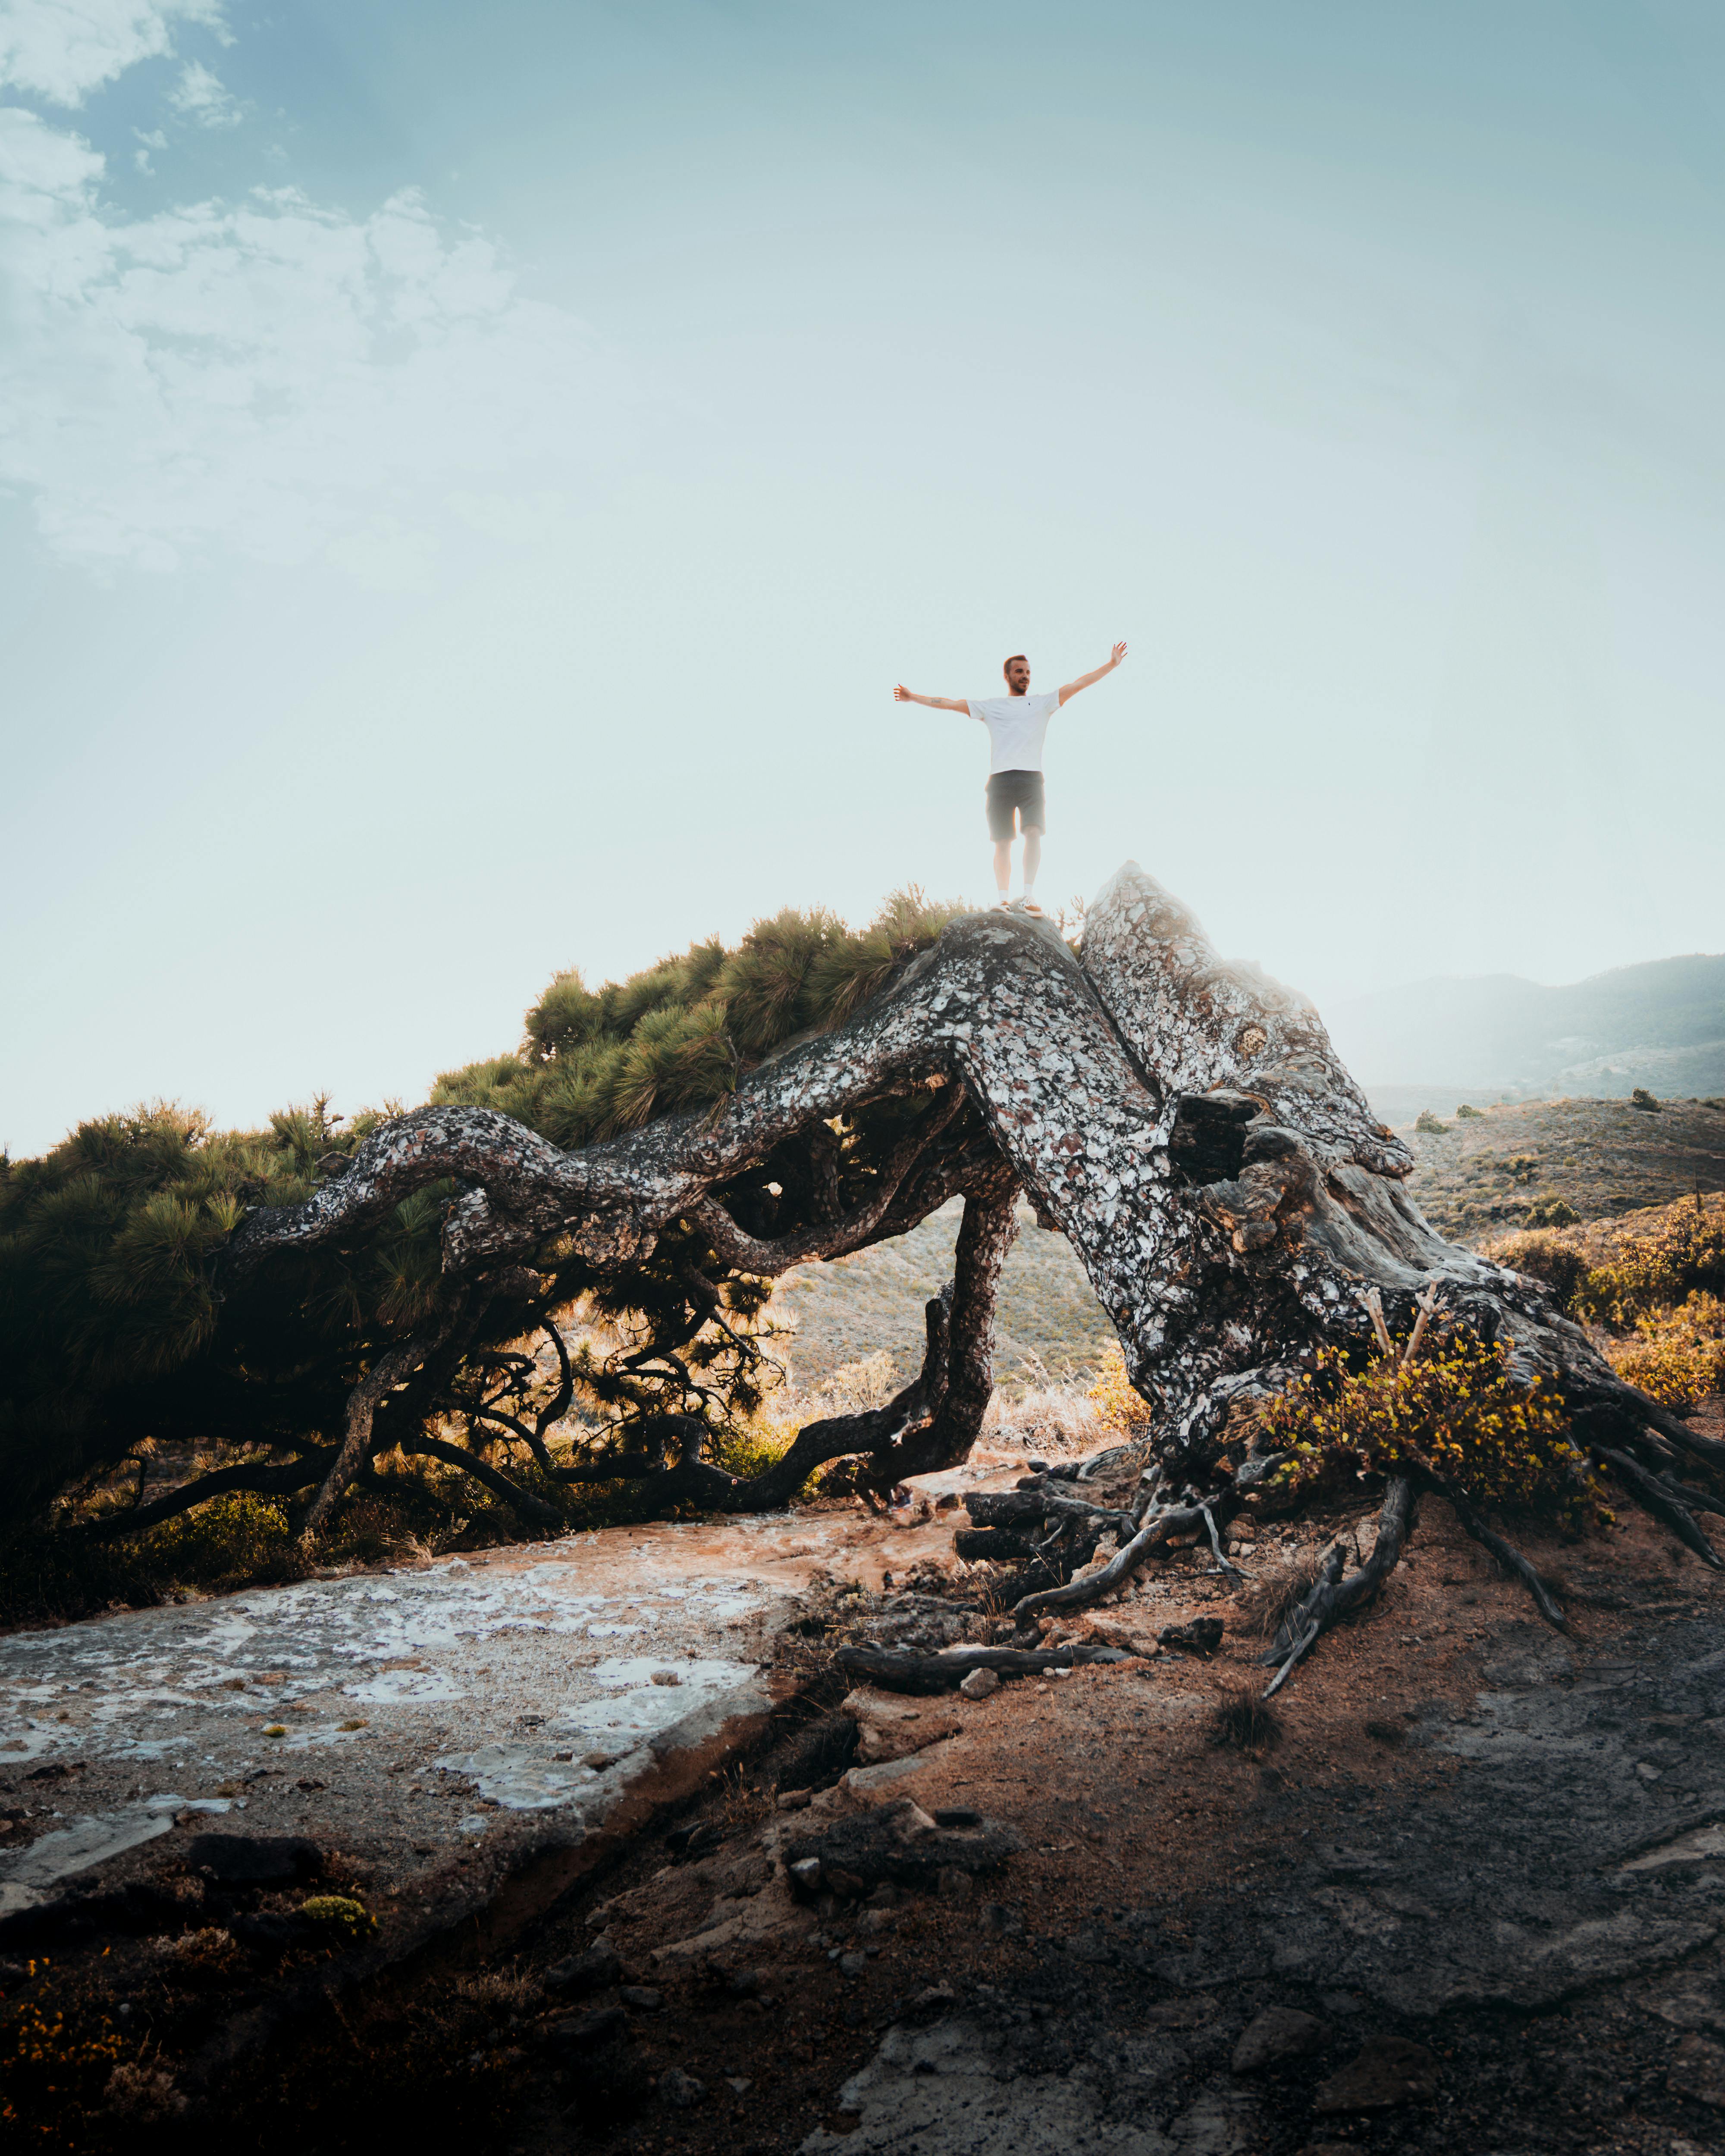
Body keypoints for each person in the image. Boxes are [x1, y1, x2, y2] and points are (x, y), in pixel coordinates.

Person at [893, 643, 1127, 915]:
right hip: (1000, 781)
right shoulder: (992, 707)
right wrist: (913, 697)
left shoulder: (1043, 702)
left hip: (1031, 780)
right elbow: (948, 703)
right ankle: (1003, 899)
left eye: (1028, 672)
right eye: (1019, 672)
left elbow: (1080, 684)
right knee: (1003, 841)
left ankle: (1028, 896)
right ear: (1007, 677)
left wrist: (1111, 665)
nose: (1025, 676)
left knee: (1033, 833)